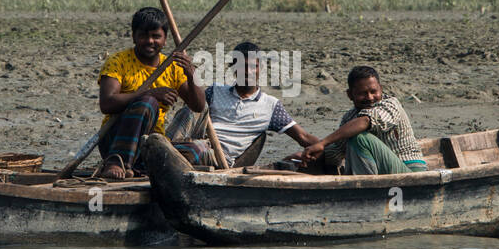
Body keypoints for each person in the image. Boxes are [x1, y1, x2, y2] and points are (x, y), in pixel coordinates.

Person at [166, 41, 319, 166]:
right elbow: (192, 115)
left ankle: (166, 150)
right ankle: (166, 146)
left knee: (195, 149)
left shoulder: (270, 106)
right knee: (193, 108)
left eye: (254, 66)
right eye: (242, 66)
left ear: (261, 68)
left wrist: (327, 147)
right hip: (195, 142)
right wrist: (191, 74)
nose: (248, 72)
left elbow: (303, 136)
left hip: (218, 158)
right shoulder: (215, 91)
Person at [96, 7, 205, 179]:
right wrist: (150, 94)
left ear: (165, 39)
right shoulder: (118, 62)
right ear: (134, 36)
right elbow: (107, 103)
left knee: (196, 150)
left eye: (156, 36)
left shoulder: (172, 66)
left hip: (151, 142)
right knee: (148, 102)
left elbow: (198, 106)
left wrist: (191, 76)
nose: (150, 41)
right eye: (143, 36)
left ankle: (139, 168)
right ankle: (119, 163)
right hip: (115, 141)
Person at [288, 65, 427, 175]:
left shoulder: (391, 104)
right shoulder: (349, 118)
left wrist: (322, 143)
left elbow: (366, 121)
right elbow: (335, 152)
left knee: (360, 138)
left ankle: (364, 187)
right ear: (350, 95)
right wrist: (306, 156)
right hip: (381, 172)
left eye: (374, 91)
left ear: (381, 89)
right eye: (362, 93)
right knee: (349, 142)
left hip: (410, 171)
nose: (370, 97)